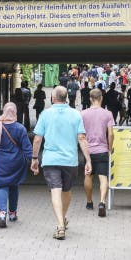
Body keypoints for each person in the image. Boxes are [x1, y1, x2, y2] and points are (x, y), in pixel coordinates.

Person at [30, 86, 92, 240]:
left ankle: (60, 223)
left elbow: (37, 138)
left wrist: (34, 158)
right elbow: (82, 138)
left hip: (51, 160)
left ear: (53, 98)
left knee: (55, 191)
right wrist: (88, 160)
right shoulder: (76, 114)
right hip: (70, 160)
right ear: (67, 98)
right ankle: (60, 223)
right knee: (66, 190)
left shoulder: (45, 114)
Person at [0, 103, 33, 229]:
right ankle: (12, 213)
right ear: (15, 112)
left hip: (0, 162)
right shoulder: (20, 128)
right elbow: (27, 147)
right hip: (16, 162)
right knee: (14, 186)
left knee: (2, 186)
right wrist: (34, 161)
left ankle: (2, 213)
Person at [80, 88, 115, 217]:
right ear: (101, 98)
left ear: (90, 98)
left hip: (88, 150)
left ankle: (89, 202)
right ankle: (102, 202)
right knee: (103, 177)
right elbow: (111, 134)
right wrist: (109, 148)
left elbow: (80, 134)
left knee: (88, 175)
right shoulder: (108, 114)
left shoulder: (82, 114)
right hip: (102, 149)